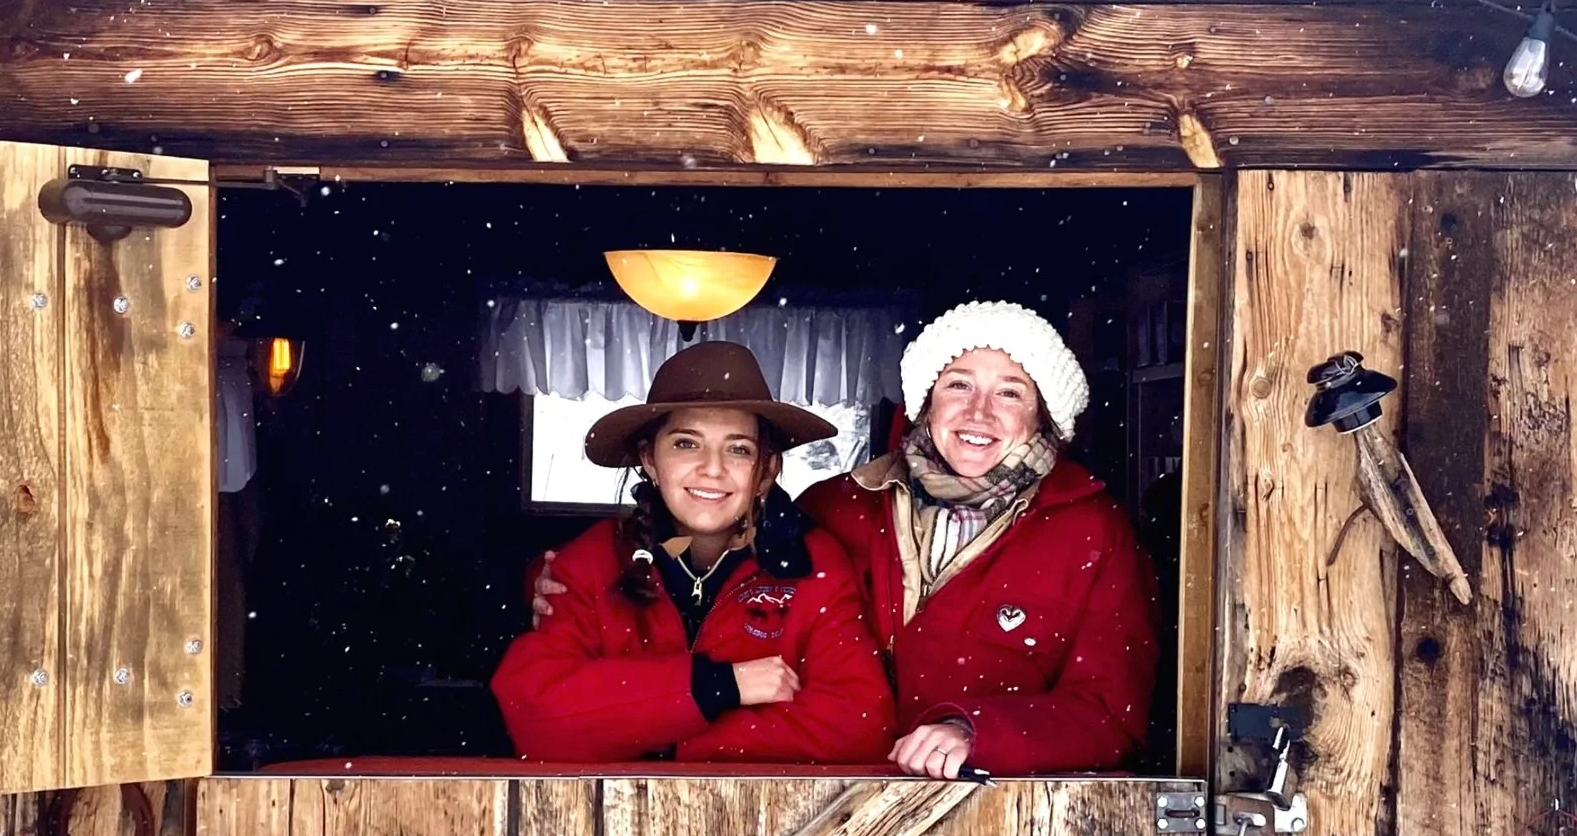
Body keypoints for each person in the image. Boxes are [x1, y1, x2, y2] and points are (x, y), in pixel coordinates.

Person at [801, 301, 1163, 776]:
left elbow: (1112, 712)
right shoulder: (835, 507)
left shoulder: (1092, 531)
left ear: (1043, 418)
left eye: (1010, 393)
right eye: (959, 384)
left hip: (993, 814)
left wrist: (978, 732)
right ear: (926, 403)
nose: (979, 412)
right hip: (823, 799)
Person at [493, 342, 895, 764]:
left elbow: (861, 724)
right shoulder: (591, 562)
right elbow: (534, 714)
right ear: (650, 459)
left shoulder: (814, 566)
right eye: (687, 444)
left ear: (766, 471)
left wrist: (650, 732)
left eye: (738, 448)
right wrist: (720, 686)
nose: (713, 468)